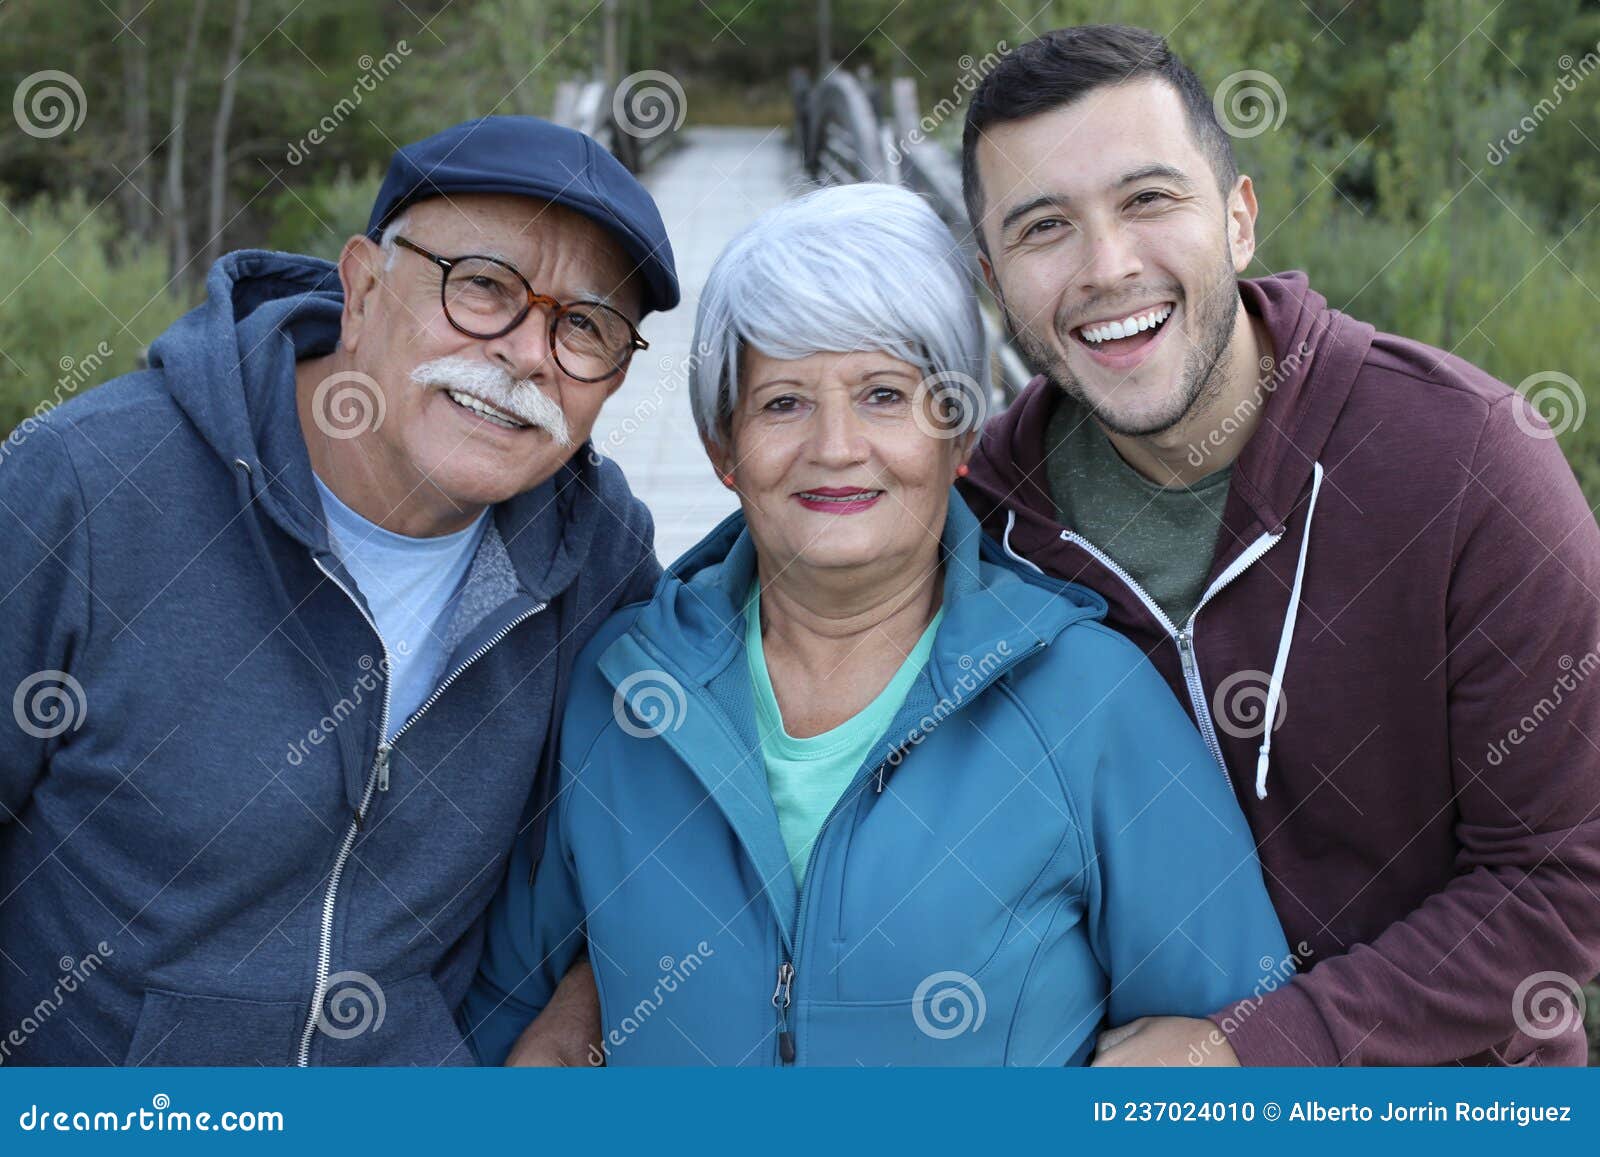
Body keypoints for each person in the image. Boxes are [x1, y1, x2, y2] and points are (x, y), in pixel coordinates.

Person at [463, 183, 1288, 1067]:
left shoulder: (1092, 704)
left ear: (958, 432)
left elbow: (1244, 1037)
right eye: (783, 403)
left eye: (886, 395)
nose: (836, 445)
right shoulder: (622, 692)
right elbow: (499, 1016)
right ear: (721, 447)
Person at [956, 24, 1600, 1066]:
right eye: (1043, 228)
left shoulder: (1469, 460)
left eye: (1147, 199)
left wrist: (1253, 1051)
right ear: (994, 280)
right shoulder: (984, 522)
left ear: (1239, 218)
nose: (1107, 266)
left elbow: (1560, 880)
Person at [0, 115, 674, 1065]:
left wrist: (582, 1006)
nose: (528, 352)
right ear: (361, 287)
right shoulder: (81, 488)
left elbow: (693, 813)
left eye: (586, 326)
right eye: (484, 285)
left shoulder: (592, 551)